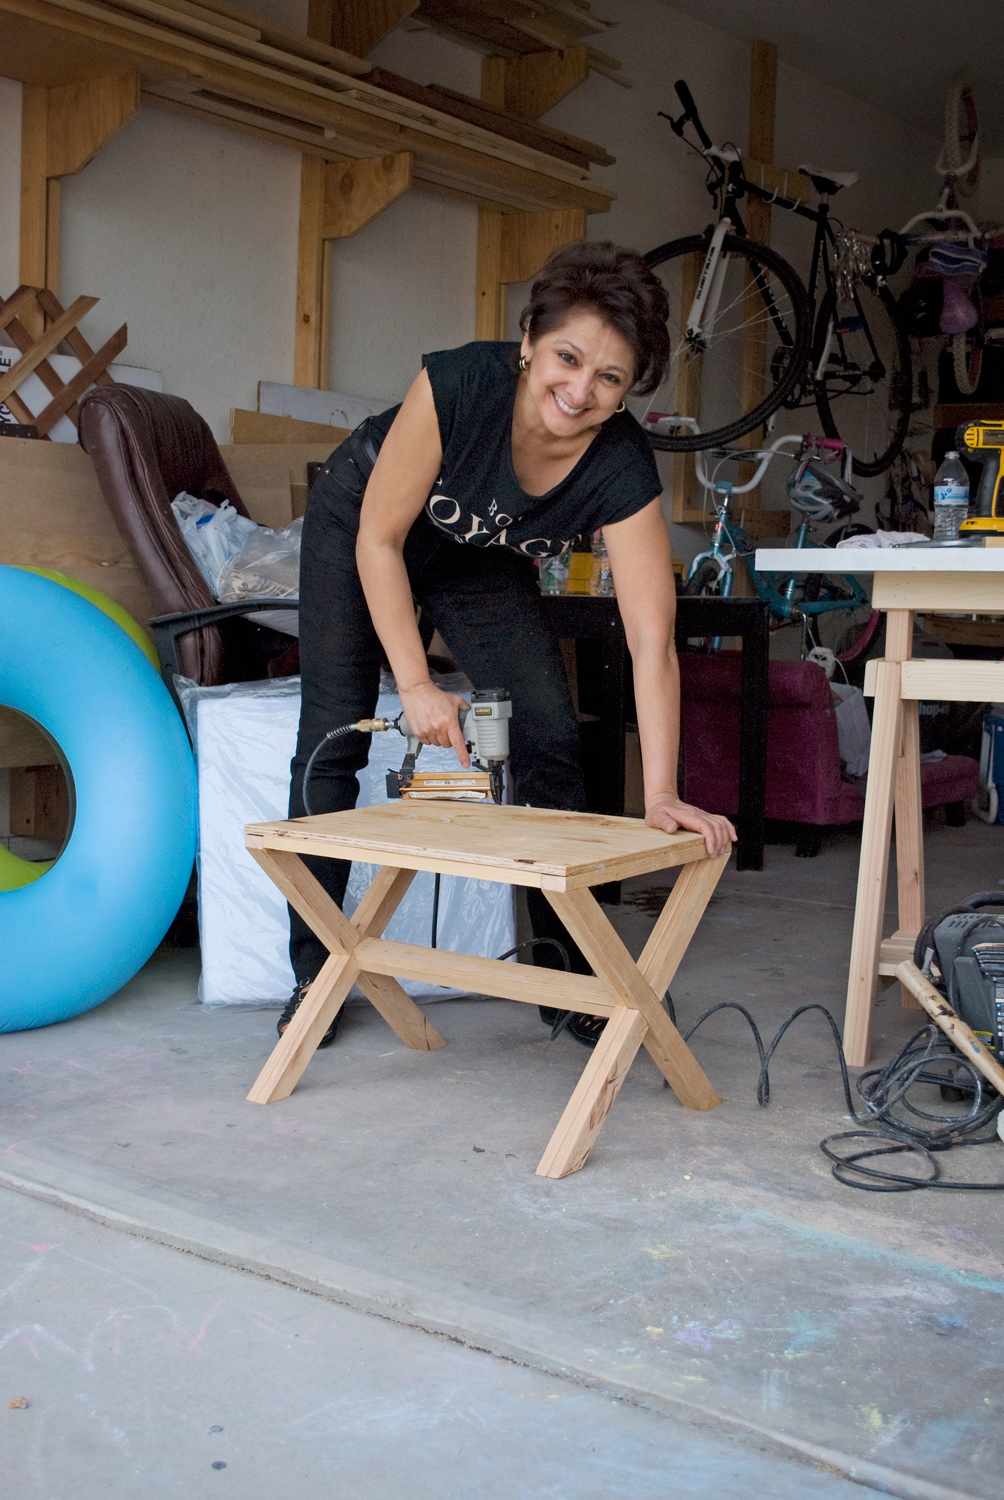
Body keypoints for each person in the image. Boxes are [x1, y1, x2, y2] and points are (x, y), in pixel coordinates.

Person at [282, 240, 735, 1047]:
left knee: (548, 735)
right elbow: (380, 543)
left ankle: (570, 982)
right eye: (567, 357)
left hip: (476, 559)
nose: (580, 390)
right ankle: (314, 973)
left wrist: (660, 791)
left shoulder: (622, 464)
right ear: (528, 340)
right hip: (367, 520)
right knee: (332, 733)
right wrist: (416, 683)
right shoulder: (457, 383)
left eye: (610, 378)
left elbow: (651, 639)